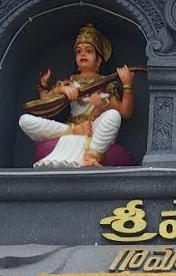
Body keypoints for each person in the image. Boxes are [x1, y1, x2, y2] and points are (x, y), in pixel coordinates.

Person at [18, 24, 133, 168]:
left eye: (89, 51)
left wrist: (124, 87)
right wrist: (57, 89)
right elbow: (45, 104)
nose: (83, 54)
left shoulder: (106, 83)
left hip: (95, 129)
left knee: (113, 116)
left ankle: (91, 156)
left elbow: (125, 112)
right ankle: (74, 131)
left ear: (98, 60)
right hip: (71, 130)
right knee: (24, 120)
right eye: (79, 51)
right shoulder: (68, 82)